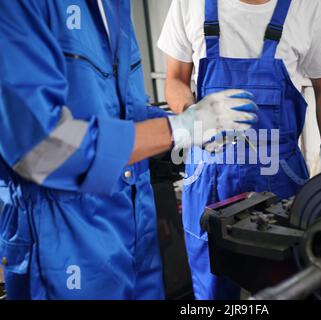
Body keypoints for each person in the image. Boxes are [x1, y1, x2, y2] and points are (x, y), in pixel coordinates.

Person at [0, 0, 258, 300]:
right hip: (63, 247)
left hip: (135, 234)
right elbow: (41, 150)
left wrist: (191, 125)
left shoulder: (116, 7)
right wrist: (178, 130)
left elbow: (124, 114)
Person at [158, 0, 321, 299]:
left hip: (279, 177)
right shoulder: (188, 4)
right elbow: (175, 80)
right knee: (212, 290)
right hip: (208, 174)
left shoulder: (306, 6)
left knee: (289, 284)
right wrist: (195, 118)